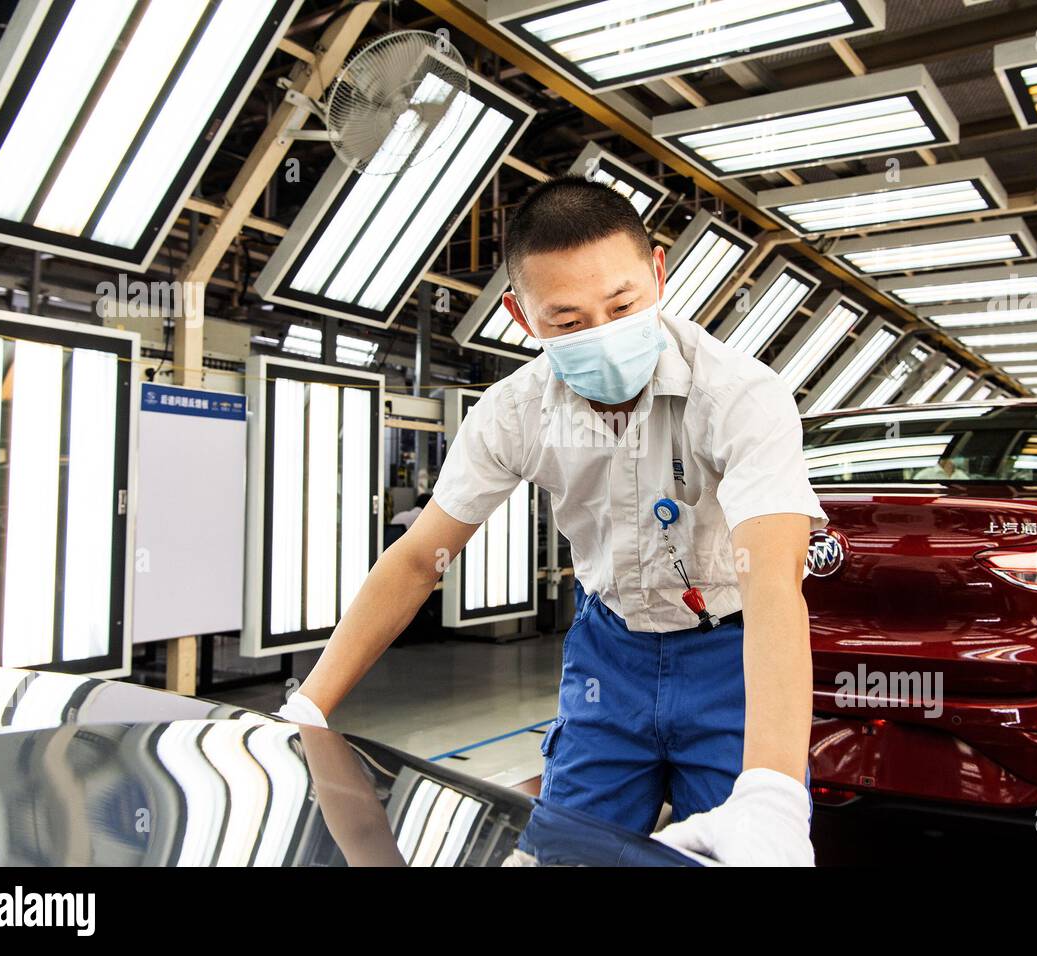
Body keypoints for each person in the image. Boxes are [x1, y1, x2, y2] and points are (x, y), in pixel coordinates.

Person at [279, 175, 828, 866]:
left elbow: (773, 583)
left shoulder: (740, 395)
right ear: (520, 315)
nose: (602, 336)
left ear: (658, 274)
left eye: (623, 304)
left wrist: (774, 792)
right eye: (567, 323)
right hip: (610, 656)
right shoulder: (514, 414)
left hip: (730, 655)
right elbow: (422, 559)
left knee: (745, 854)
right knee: (564, 854)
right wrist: (310, 706)